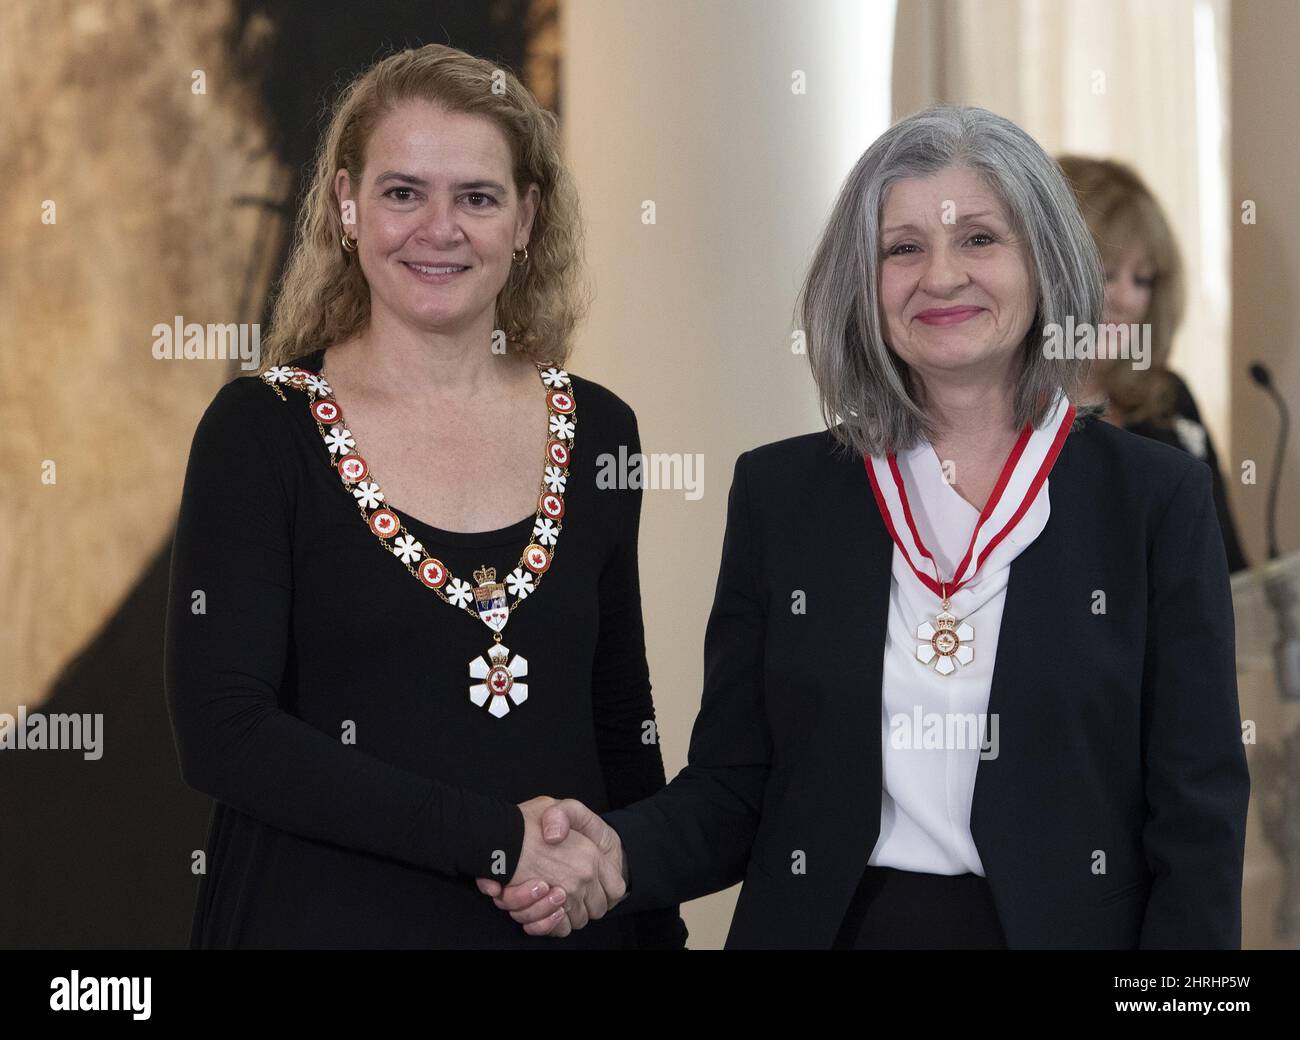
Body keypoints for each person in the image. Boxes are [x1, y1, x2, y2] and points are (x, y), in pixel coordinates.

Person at [481, 105, 1250, 949]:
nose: (942, 277)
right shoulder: (784, 494)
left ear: (1047, 265)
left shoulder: (1154, 499)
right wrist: (608, 853)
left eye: (980, 240)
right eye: (903, 248)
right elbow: (737, 788)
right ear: (864, 280)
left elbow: (1197, 816)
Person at [163, 43, 686, 949]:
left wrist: (654, 920)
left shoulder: (600, 428)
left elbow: (618, 715)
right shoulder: (259, 431)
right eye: (403, 191)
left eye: (477, 198)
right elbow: (225, 732)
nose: (438, 228)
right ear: (346, 205)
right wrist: (495, 842)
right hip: (322, 925)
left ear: (526, 219)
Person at [1058, 155, 1249, 573]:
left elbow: (1229, 571)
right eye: (1107, 274)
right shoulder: (998, 412)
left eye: (1141, 280)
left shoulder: (1167, 399)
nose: (1126, 300)